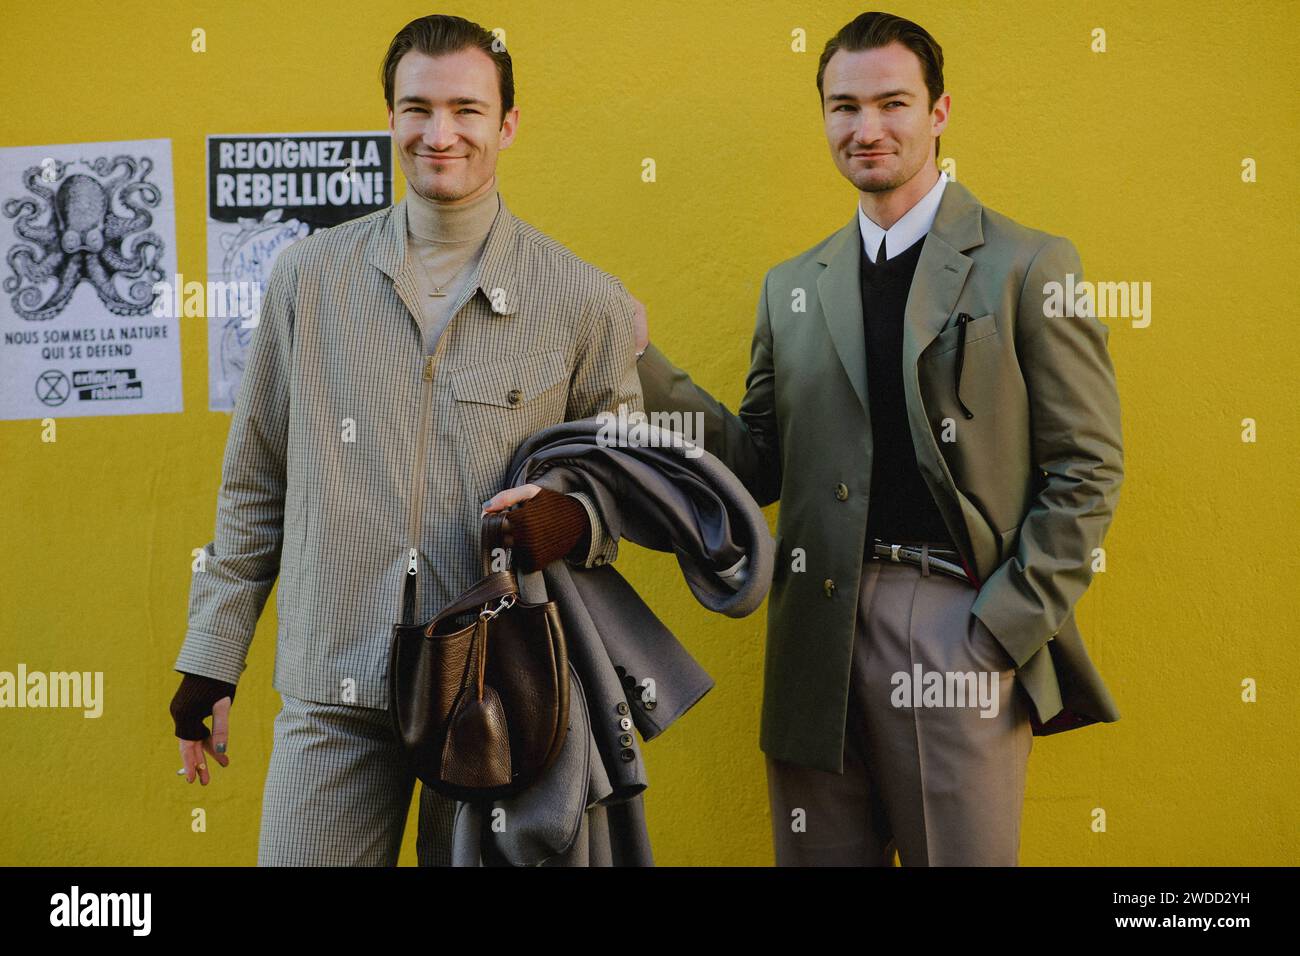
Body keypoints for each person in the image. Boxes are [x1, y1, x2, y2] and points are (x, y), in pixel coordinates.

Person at [632, 11, 1123, 865]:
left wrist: (1000, 627)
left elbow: (1087, 466)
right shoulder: (791, 286)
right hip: (812, 635)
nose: (867, 128)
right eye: (843, 106)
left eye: (892, 102)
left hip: (956, 623)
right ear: (823, 116)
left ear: (938, 112)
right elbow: (753, 463)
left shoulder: (1029, 264)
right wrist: (637, 357)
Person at [168, 13, 642, 866]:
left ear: (508, 124)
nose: (440, 133)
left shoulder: (586, 302)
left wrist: (571, 520)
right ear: (389, 117)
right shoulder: (307, 279)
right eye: (416, 108)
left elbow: (628, 488)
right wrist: (213, 656)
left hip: (501, 693)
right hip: (333, 683)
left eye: (467, 109)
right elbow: (255, 483)